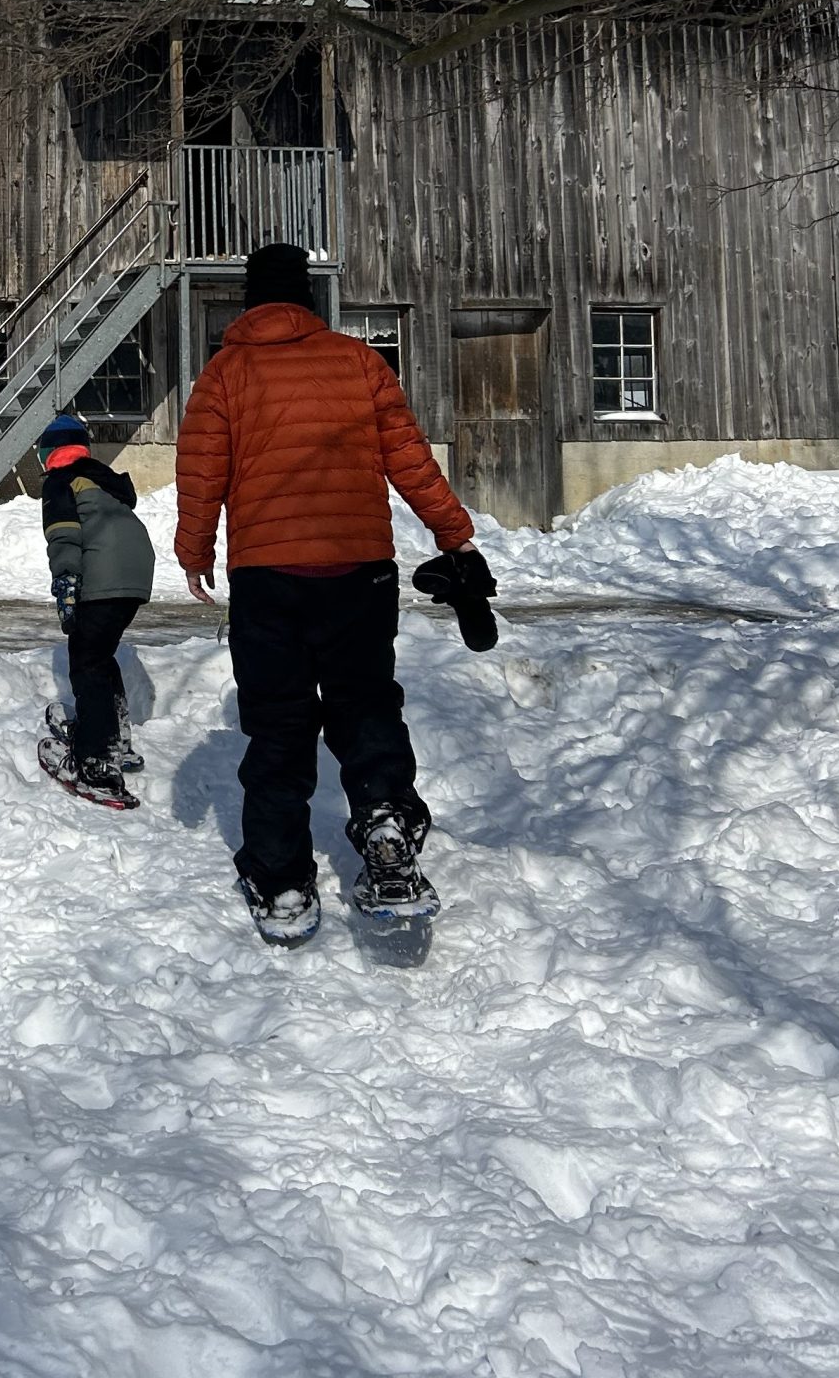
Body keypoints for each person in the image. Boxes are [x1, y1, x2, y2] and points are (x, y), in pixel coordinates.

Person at [175, 242, 493, 948]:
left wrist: (195, 552)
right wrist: (454, 534)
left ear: (251, 301)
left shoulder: (225, 373)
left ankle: (284, 880)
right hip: (359, 574)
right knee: (363, 702)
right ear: (310, 302)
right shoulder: (359, 363)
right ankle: (384, 817)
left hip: (268, 577)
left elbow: (202, 473)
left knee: (280, 726)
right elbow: (409, 457)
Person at [32, 412, 155, 811]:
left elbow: (64, 534)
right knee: (99, 656)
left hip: (104, 575)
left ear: (48, 453)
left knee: (85, 662)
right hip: (135, 574)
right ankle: (113, 738)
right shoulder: (101, 478)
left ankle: (97, 764)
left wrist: (66, 582)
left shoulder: (60, 482)